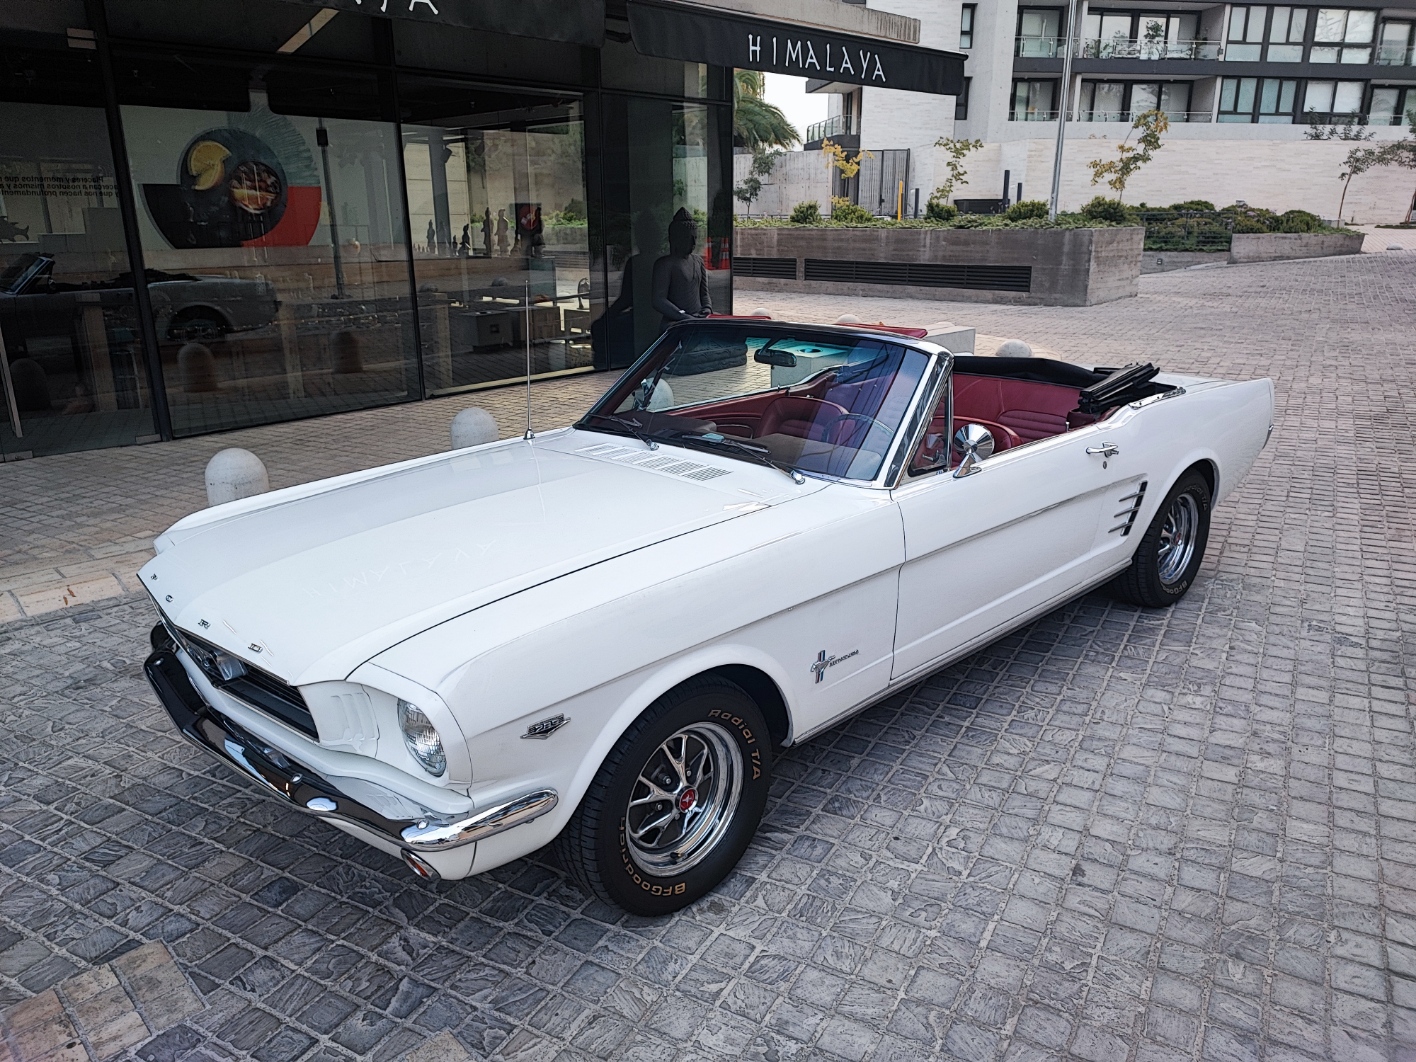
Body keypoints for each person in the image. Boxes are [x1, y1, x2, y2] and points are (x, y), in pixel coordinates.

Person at [651, 207, 711, 330]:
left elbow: (704, 293)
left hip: (698, 319)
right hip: (676, 323)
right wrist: (683, 317)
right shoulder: (665, 264)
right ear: (675, 238)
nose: (693, 242)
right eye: (688, 238)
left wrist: (707, 308)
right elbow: (658, 300)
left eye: (695, 237)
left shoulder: (698, 261)